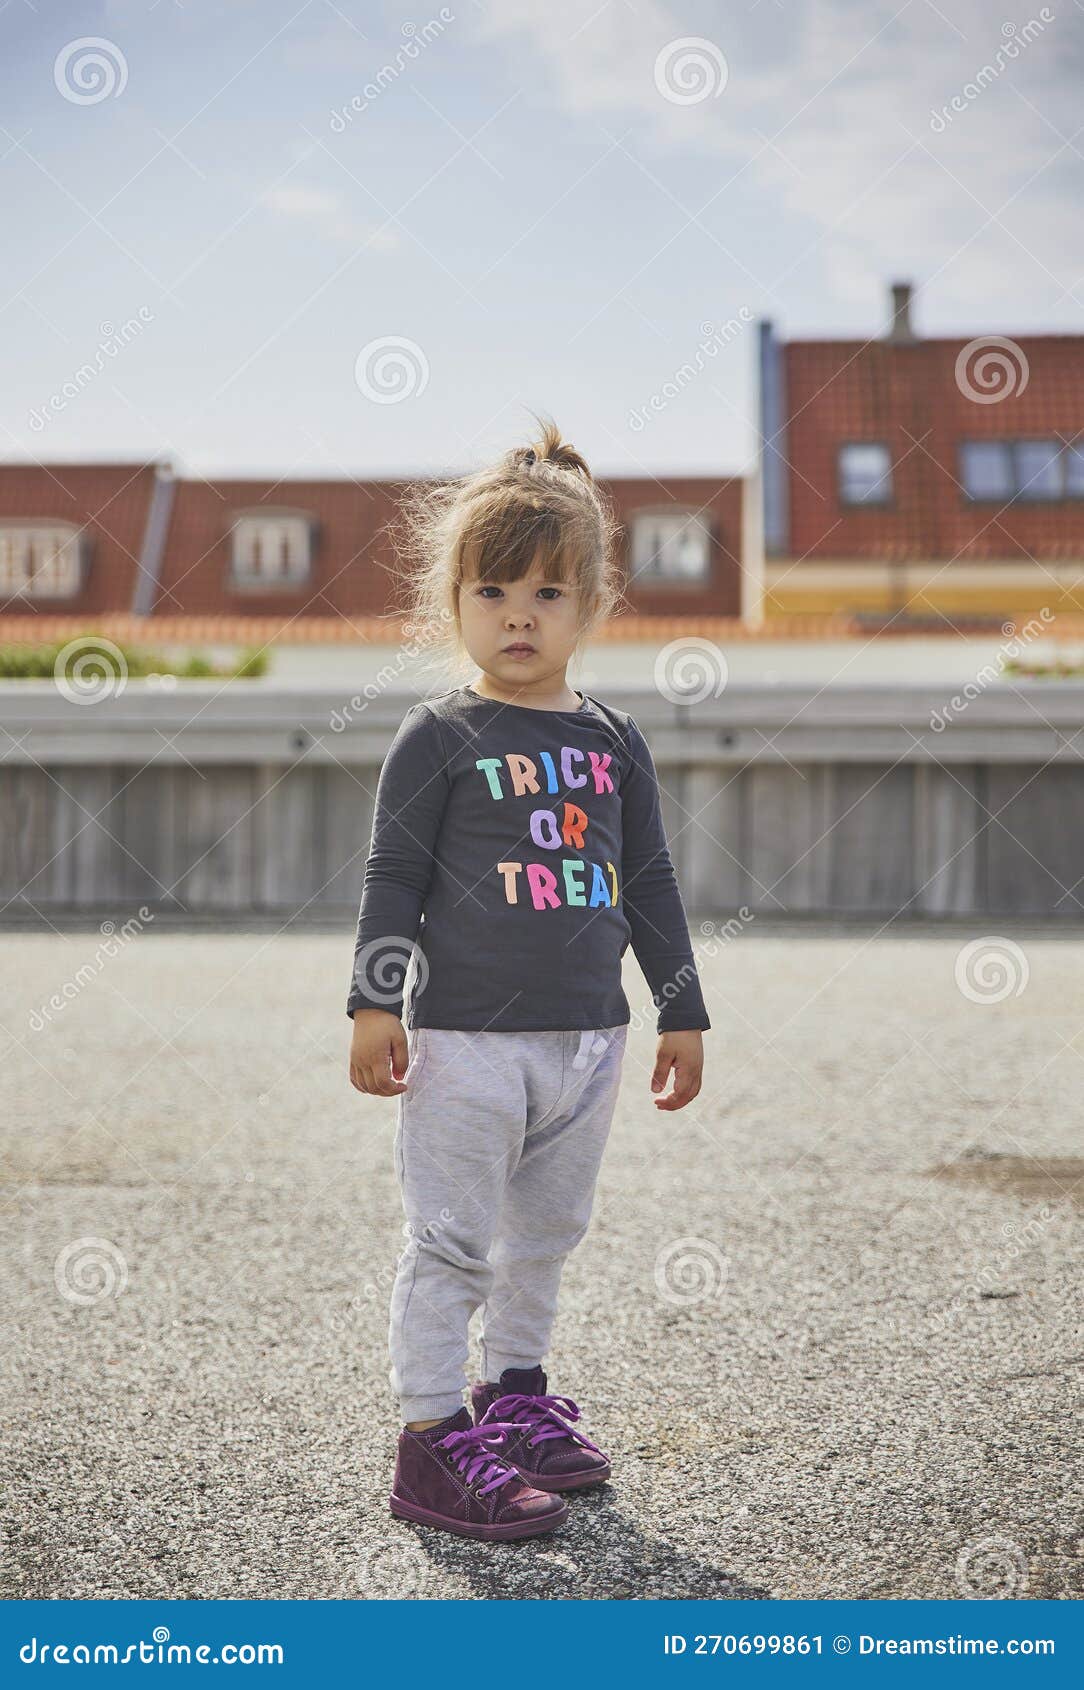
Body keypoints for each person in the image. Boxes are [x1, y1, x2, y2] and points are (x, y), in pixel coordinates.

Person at [347, 419, 711, 1542]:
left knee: (546, 1232)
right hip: (464, 1041)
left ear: (591, 606)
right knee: (453, 1236)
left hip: (586, 1041)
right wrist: (372, 1000)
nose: (518, 613)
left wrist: (680, 1005)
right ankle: (428, 1438)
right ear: (453, 601)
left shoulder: (613, 741)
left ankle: (514, 1397)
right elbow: (394, 874)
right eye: (493, 588)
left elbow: (645, 877)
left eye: (548, 592)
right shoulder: (437, 736)